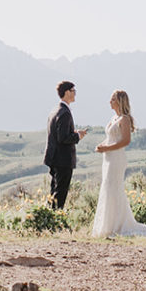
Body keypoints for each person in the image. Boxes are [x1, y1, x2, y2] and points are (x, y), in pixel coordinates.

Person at [91, 89, 146, 237]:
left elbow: (125, 141)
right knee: (108, 187)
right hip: (107, 158)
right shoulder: (114, 118)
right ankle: (108, 224)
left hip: (116, 158)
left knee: (114, 188)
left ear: (119, 101)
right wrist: (101, 146)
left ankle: (117, 224)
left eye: (112, 99)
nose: (110, 102)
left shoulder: (124, 119)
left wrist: (106, 148)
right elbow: (111, 137)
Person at [44, 80, 89, 209]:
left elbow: (59, 133)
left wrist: (74, 133)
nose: (75, 94)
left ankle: (50, 218)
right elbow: (62, 138)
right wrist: (78, 136)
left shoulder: (55, 110)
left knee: (54, 191)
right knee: (60, 192)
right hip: (63, 160)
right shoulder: (64, 113)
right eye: (74, 91)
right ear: (67, 92)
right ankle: (56, 220)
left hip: (54, 158)